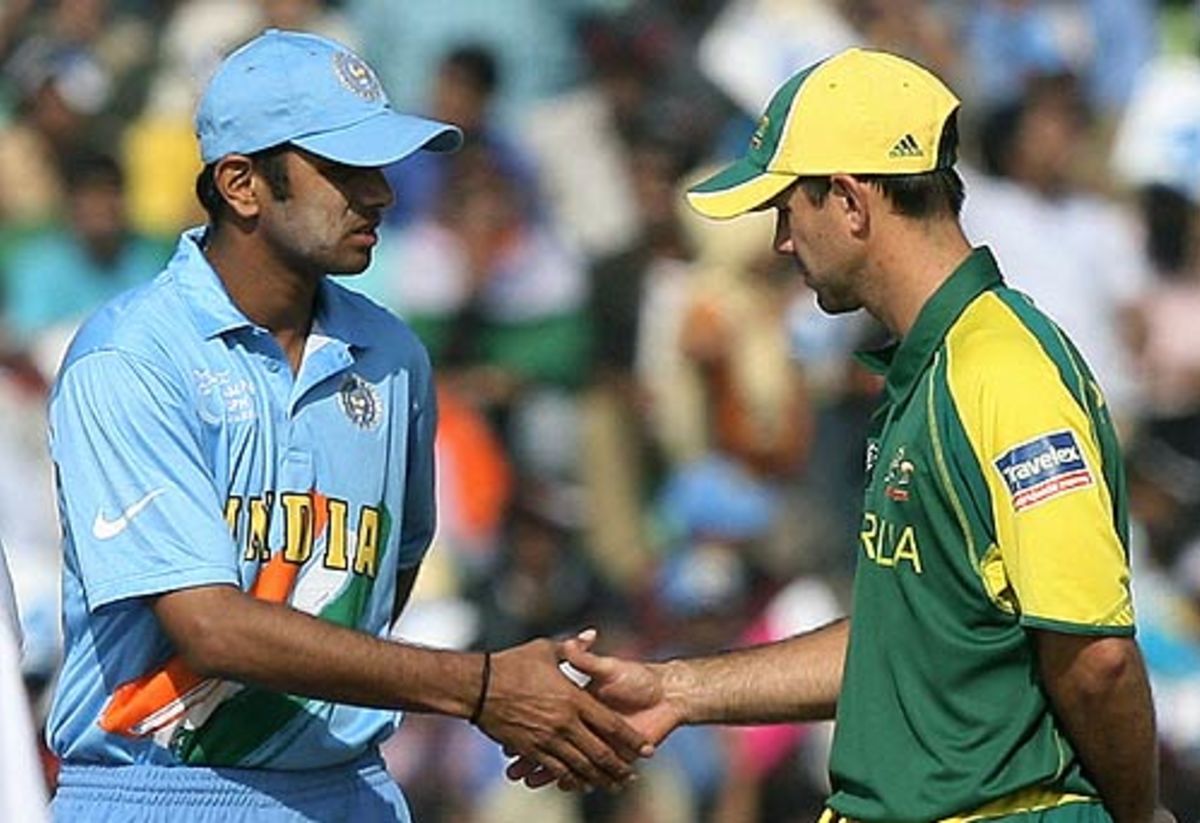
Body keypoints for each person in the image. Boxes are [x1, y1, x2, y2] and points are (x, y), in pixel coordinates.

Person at [512, 47, 1170, 822]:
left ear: (852, 203)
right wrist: (677, 688)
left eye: (787, 209)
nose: (781, 241)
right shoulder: (937, 364)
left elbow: (1096, 659)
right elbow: (909, 635)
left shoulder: (1001, 372)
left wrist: (1137, 815)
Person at [43, 29, 649, 822]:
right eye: (344, 169)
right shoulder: (132, 356)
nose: (381, 194)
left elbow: (379, 584)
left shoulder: (394, 355)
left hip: (345, 791)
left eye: (381, 165)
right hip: (161, 792)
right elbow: (210, 627)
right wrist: (483, 687)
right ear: (241, 183)